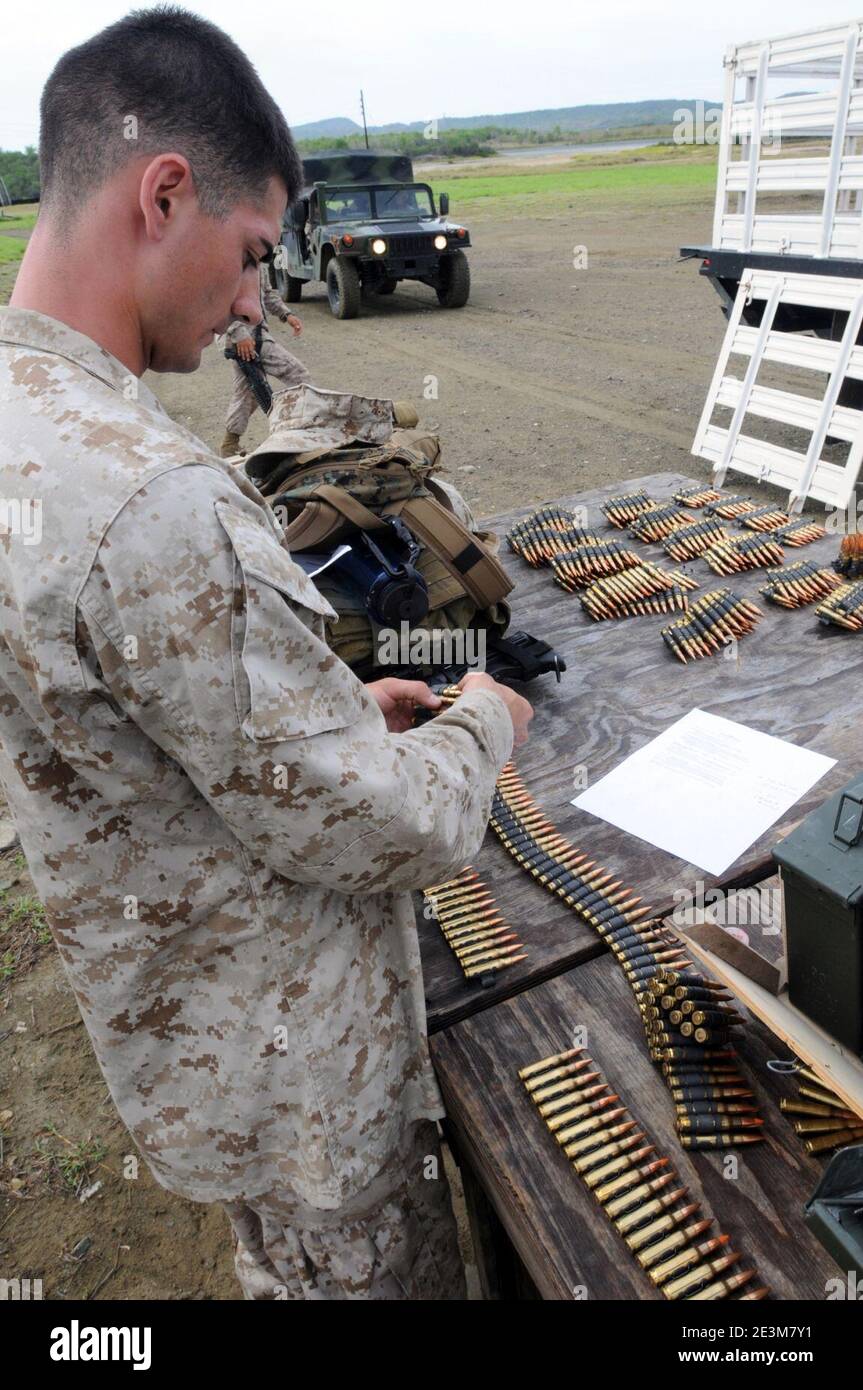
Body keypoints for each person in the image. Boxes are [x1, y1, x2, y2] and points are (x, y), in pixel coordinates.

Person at [0, 8, 533, 1300]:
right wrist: (483, 719)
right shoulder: (154, 497)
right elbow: (383, 825)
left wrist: (325, 699)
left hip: (198, 1052)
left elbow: (132, 721)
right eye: (249, 254)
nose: (254, 296)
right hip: (310, 1089)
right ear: (162, 191)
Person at [220, 264, 308, 458]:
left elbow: (267, 293)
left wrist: (287, 314)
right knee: (297, 374)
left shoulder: (257, 259)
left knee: (248, 393)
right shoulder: (230, 257)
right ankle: (298, 428)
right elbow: (218, 299)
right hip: (239, 340)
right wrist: (237, 332)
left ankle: (229, 445)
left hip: (259, 335)